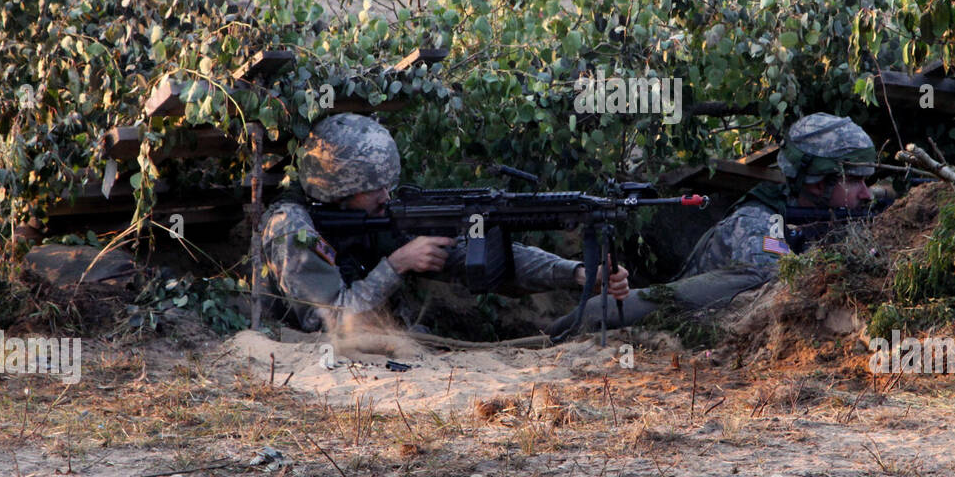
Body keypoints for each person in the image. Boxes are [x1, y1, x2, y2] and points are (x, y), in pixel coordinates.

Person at [259, 113, 628, 334]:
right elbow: (330, 322)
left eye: (388, 185)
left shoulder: (375, 214)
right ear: (340, 188)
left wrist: (579, 274)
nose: (386, 196)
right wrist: (397, 264)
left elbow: (471, 256)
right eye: (374, 189)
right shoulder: (293, 228)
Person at [544, 113, 877, 334]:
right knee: (595, 314)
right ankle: (551, 334)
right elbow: (779, 285)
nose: (866, 194)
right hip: (675, 322)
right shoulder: (758, 222)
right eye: (855, 181)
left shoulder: (837, 215)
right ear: (818, 184)